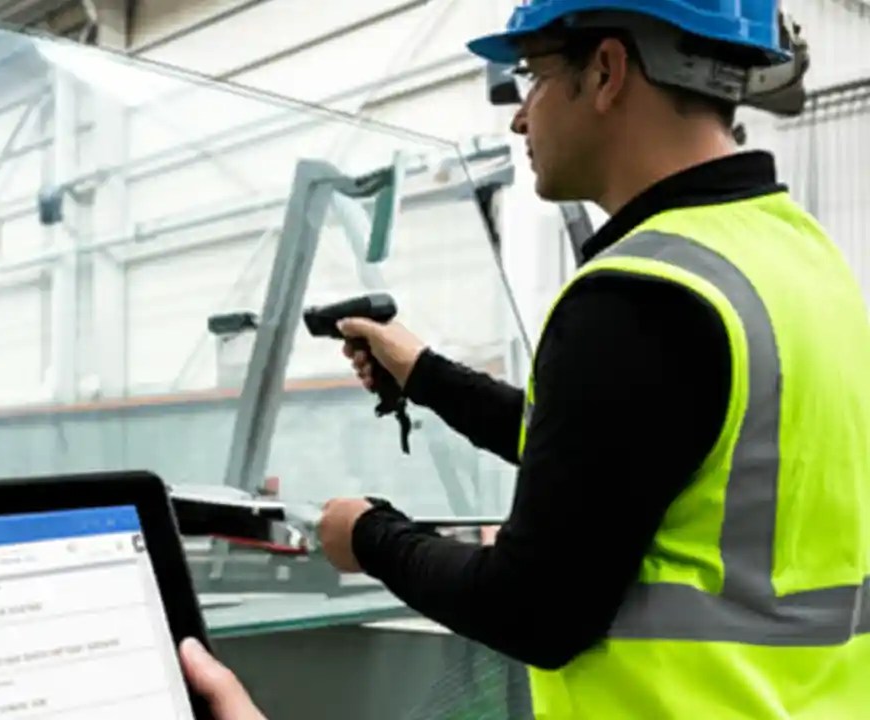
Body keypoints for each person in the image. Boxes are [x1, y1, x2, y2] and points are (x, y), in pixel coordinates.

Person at [182, 0, 870, 718]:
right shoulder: (798, 259)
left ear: (606, 71)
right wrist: (423, 373)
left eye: (532, 76)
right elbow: (612, 461)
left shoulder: (641, 295)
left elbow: (534, 610)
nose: (518, 117)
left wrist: (369, 535)